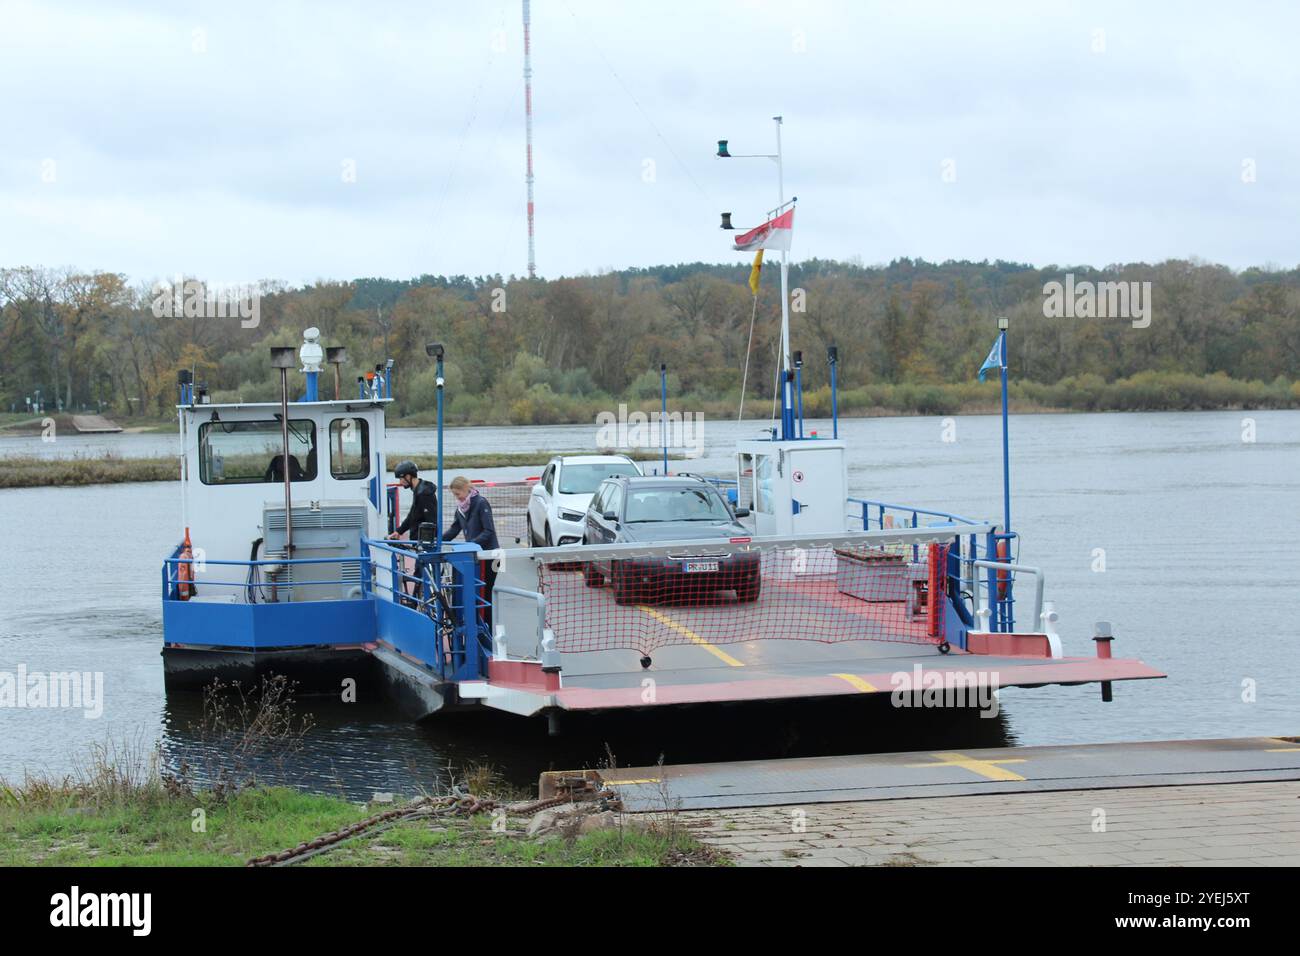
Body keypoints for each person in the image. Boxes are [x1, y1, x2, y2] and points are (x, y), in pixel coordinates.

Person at [443, 476, 499, 628]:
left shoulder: (481, 503)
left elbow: (489, 531)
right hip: (475, 555)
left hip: (493, 555)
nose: (457, 497)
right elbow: (454, 529)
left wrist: (471, 544)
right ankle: (478, 626)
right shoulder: (460, 509)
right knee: (476, 594)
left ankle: (487, 629)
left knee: (485, 594)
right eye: (454, 495)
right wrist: (438, 540)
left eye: (458, 493)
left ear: (467, 488)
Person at [387, 460, 438, 541]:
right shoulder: (418, 491)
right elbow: (412, 516)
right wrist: (399, 531)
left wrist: (427, 543)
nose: (400, 482)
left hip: (422, 541)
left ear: (408, 476)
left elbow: (432, 521)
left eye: (401, 479)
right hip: (417, 539)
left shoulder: (424, 494)